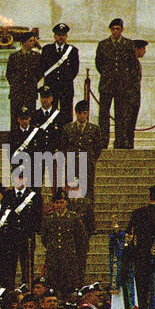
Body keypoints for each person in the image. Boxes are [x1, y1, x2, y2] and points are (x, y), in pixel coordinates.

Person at [60, 99, 105, 234]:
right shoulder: (68, 129)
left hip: (87, 167)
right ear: (76, 114)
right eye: (79, 113)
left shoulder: (94, 129)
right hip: (72, 165)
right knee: (72, 195)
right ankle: (70, 224)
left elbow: (98, 148)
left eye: (84, 113)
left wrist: (90, 160)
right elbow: (63, 148)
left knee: (88, 195)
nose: (82, 116)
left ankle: (90, 225)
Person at [95, 18, 136, 147]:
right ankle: (103, 141)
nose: (115, 31)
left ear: (122, 30)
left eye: (118, 29)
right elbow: (99, 63)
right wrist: (108, 75)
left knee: (120, 115)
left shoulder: (128, 44)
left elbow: (132, 64)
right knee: (104, 115)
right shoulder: (103, 44)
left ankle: (119, 141)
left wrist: (125, 79)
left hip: (122, 86)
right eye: (113, 29)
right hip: (107, 85)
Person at [40, 189, 89, 296]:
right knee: (53, 285)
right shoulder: (48, 218)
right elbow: (44, 238)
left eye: (61, 202)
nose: (59, 205)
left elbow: (81, 238)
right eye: (57, 203)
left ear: (66, 202)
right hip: (53, 258)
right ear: (53, 203)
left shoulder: (73, 218)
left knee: (68, 286)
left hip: (69, 258)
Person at [39, 22, 79, 125]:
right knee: (51, 114)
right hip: (51, 88)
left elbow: (74, 70)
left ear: (66, 36)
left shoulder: (73, 51)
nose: (61, 37)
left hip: (66, 88)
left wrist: (63, 80)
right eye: (58, 35)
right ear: (54, 36)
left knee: (66, 114)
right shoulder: (47, 50)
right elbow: (42, 67)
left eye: (63, 35)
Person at [5, 31, 41, 128]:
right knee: (15, 119)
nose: (33, 43)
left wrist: (32, 83)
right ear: (24, 42)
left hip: (30, 93)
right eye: (30, 41)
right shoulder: (14, 56)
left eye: (33, 41)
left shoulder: (37, 57)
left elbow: (39, 73)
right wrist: (17, 85)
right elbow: (9, 74)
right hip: (17, 93)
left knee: (31, 118)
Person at [120, 38, 148, 148]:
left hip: (133, 98)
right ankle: (126, 145)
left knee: (130, 124)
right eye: (143, 49)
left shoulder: (135, 62)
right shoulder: (130, 63)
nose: (144, 51)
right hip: (129, 99)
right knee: (127, 124)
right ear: (136, 49)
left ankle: (128, 144)